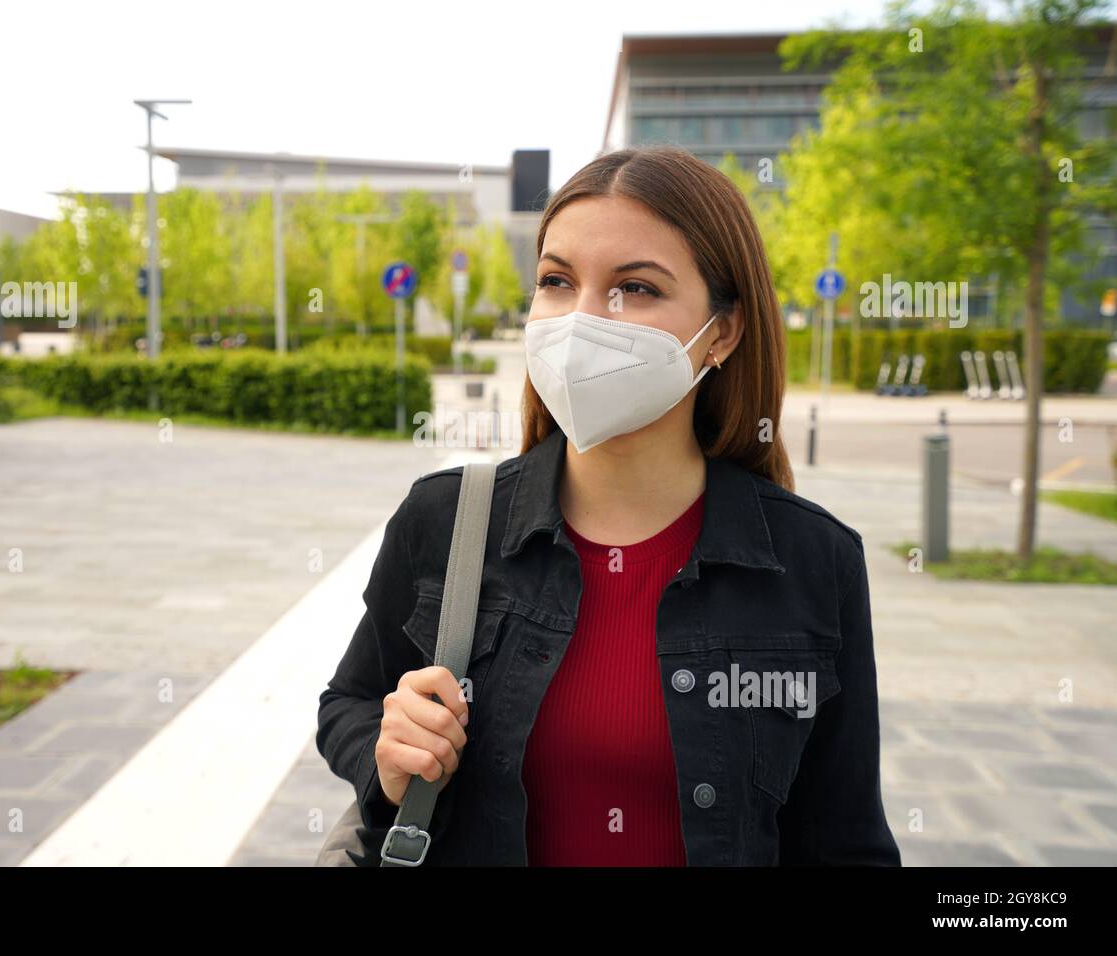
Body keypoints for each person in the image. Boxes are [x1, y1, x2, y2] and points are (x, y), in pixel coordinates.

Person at [316, 144, 901, 866]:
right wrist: (388, 755)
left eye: (636, 288)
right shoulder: (445, 521)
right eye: (557, 281)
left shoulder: (814, 561)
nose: (583, 320)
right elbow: (349, 700)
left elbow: (846, 840)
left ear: (723, 331)